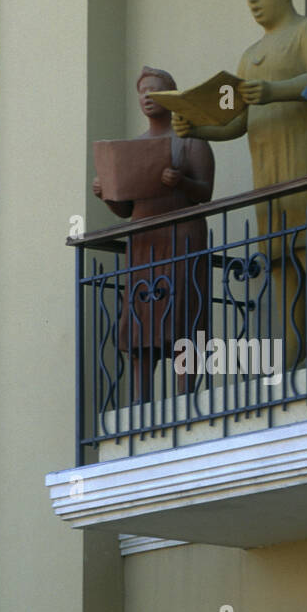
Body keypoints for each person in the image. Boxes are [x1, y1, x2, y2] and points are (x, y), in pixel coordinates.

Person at [171, 0, 307, 367]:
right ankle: (294, 342)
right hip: (267, 169)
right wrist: (196, 128)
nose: (252, 0)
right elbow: (237, 120)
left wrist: (273, 90)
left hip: (306, 156)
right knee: (280, 258)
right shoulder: (248, 56)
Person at [93, 66, 214, 402]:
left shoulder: (190, 140)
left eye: (154, 89)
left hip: (181, 237)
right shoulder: (134, 147)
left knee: (180, 314)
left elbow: (205, 192)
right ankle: (139, 400)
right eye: (142, 91)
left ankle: (184, 394)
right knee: (141, 322)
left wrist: (181, 182)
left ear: (171, 95)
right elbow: (127, 208)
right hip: (144, 240)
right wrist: (106, 194)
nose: (146, 97)